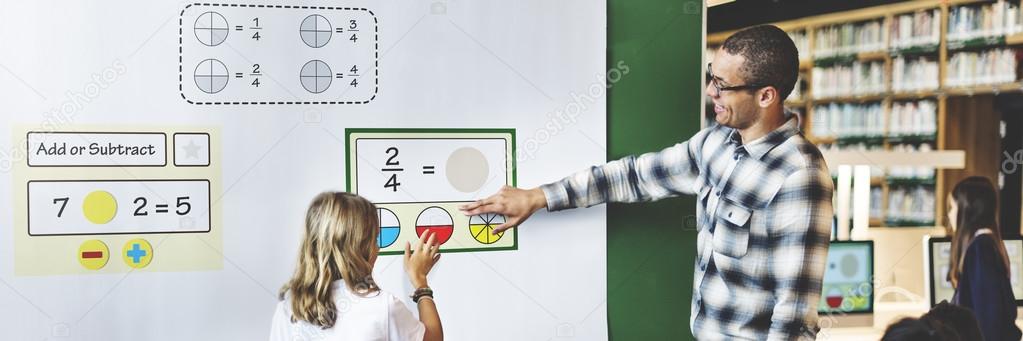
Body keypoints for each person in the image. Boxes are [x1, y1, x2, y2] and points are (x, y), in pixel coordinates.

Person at [461, 24, 834, 340]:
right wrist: (540, 196)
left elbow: (796, 313)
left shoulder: (800, 175)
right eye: (710, 76)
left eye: (722, 84)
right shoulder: (715, 144)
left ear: (766, 95)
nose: (709, 92)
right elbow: (635, 175)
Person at [270, 192, 444, 341]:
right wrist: (420, 282)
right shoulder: (383, 306)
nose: (378, 248)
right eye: (375, 239)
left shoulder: (289, 307)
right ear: (359, 248)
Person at [946, 176, 1022, 341]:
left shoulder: (980, 249)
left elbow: (987, 320)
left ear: (966, 210)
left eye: (952, 208)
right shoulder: (989, 244)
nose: (950, 215)